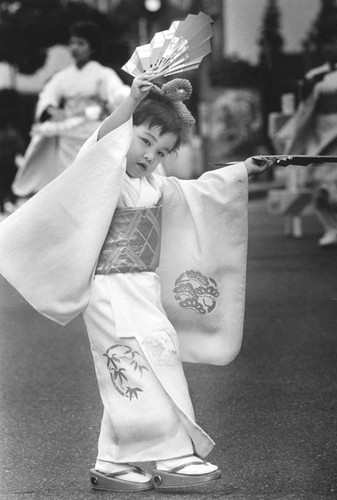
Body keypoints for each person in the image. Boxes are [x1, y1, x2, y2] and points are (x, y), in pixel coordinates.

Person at [0, 74, 274, 492]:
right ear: (127, 133)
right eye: (145, 141)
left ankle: (111, 461)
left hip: (140, 285)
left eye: (162, 151)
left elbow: (196, 194)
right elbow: (102, 142)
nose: (150, 156)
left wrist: (241, 172)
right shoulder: (104, 172)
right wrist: (129, 102)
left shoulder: (152, 185)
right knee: (146, 359)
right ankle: (174, 452)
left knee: (132, 365)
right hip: (110, 288)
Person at [11, 20, 130, 202]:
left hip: (92, 136)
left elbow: (117, 93)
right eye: (72, 43)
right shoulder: (63, 76)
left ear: (93, 47)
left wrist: (129, 95)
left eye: (81, 43)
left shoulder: (102, 74)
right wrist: (51, 109)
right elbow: (47, 94)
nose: (74, 48)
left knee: (91, 184)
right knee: (65, 183)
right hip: (66, 138)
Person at [277, 25, 337, 247]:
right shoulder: (315, 75)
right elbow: (304, 109)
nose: (329, 48)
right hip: (321, 133)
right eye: (326, 43)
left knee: (332, 182)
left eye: (334, 42)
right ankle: (336, 227)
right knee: (318, 182)